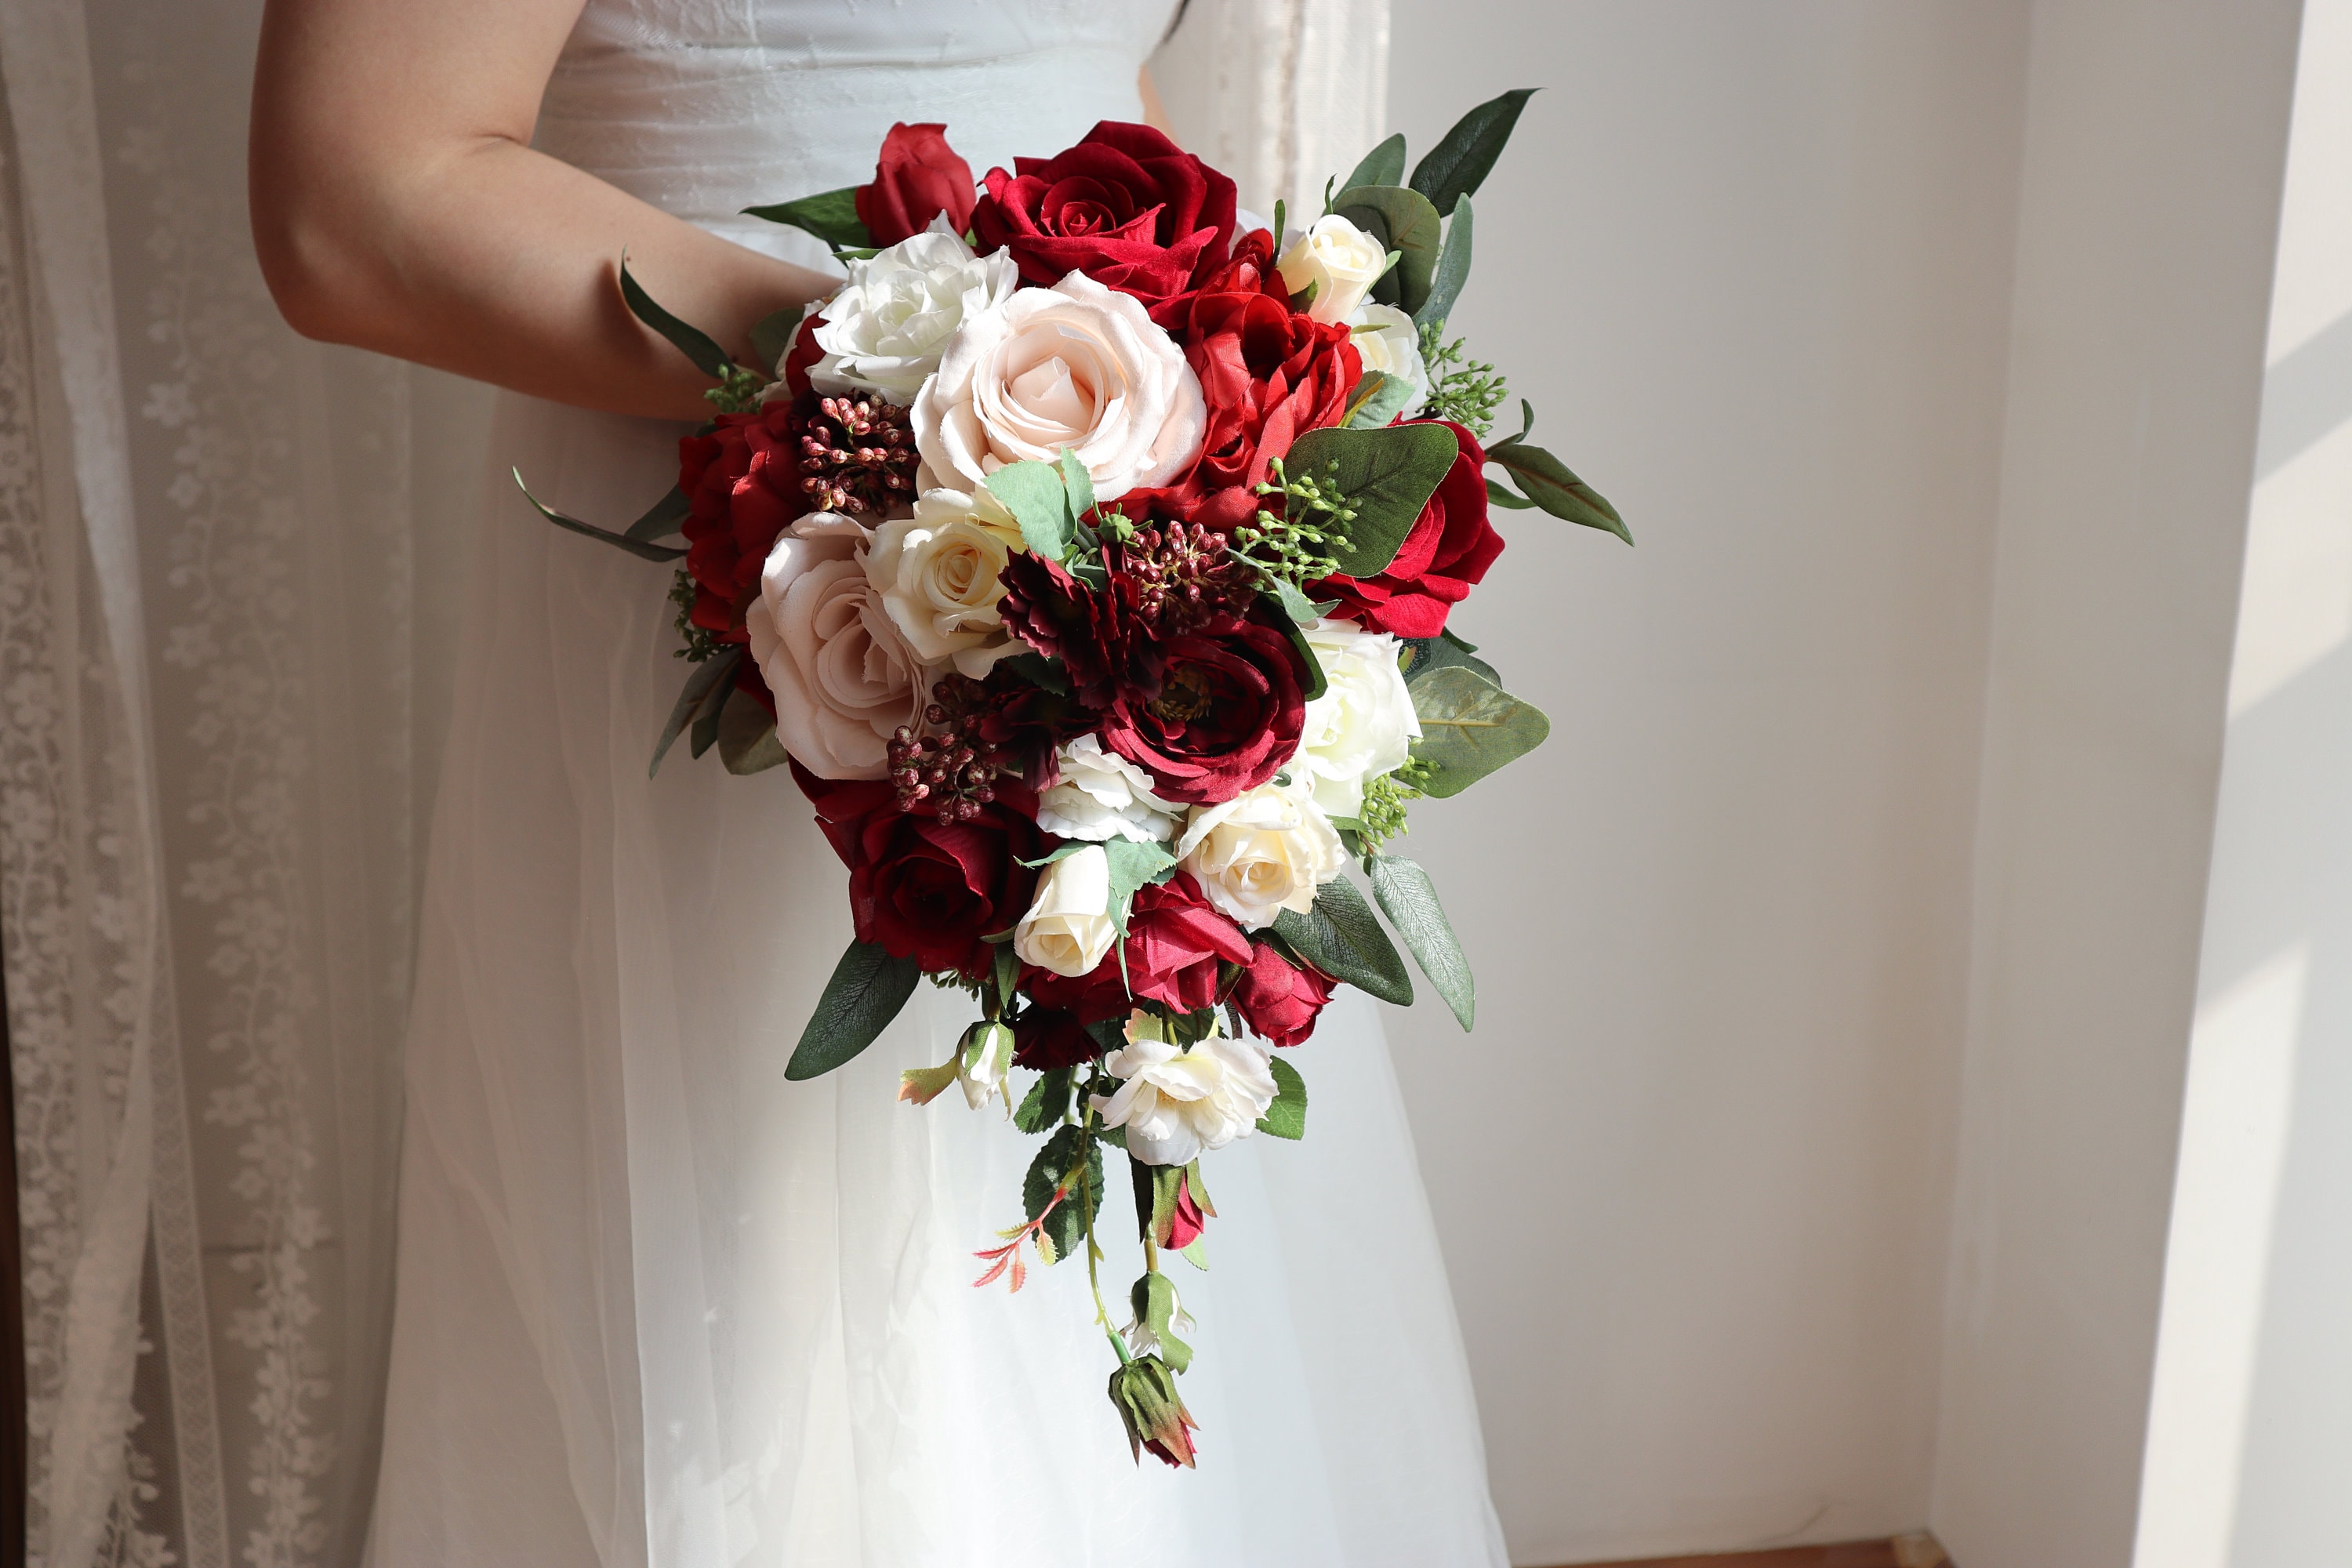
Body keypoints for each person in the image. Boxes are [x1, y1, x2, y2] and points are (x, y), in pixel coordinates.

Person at [250, 2, 1509, 1563]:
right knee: (767, 1333)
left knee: (1119, 1299)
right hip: (765, 563)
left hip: (1119, 542)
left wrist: (1207, 428)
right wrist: (933, 379)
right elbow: (351, 197)